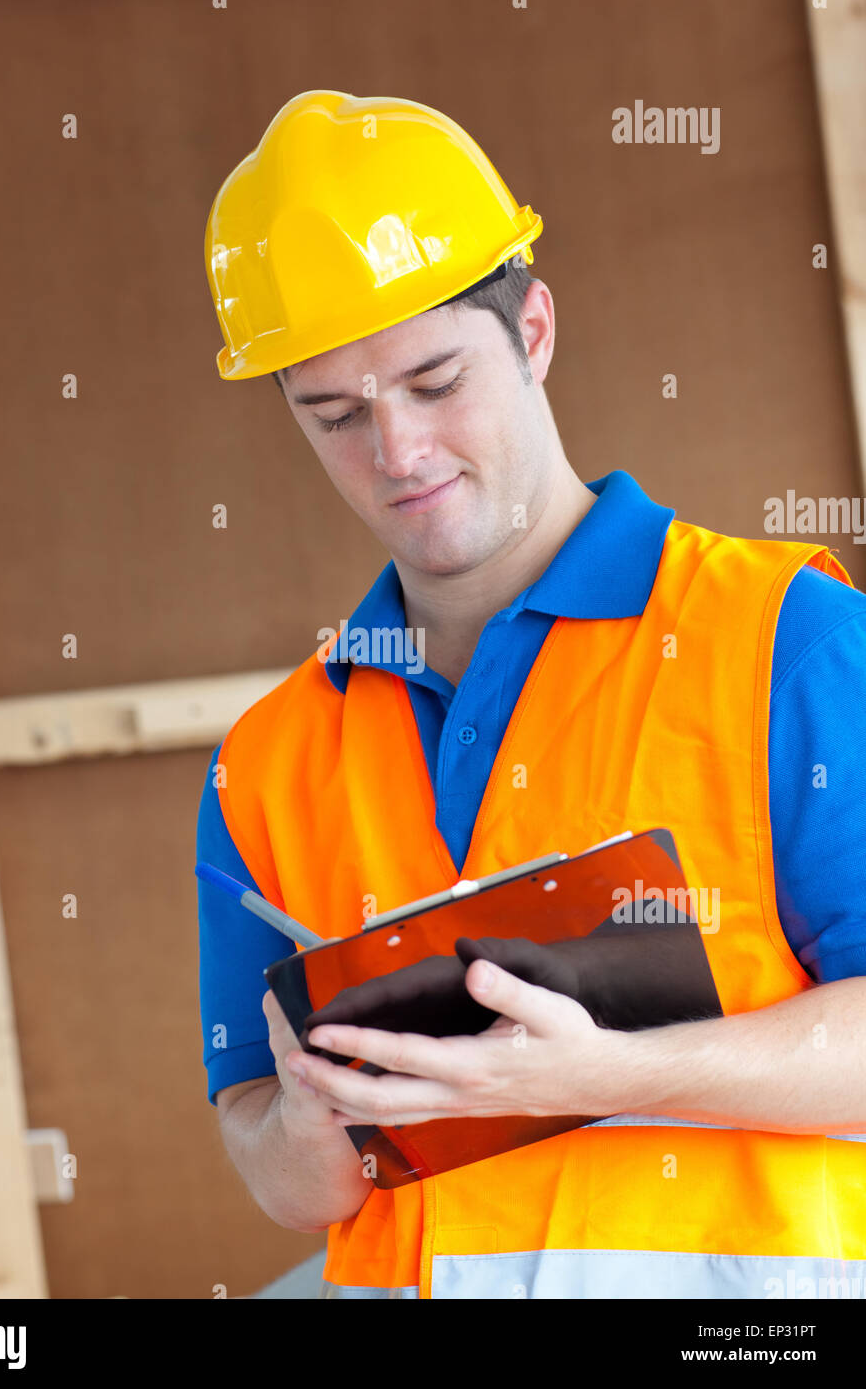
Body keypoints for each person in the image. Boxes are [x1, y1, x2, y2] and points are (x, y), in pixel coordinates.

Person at [196, 89, 866, 1299]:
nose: (396, 452)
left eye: (436, 379)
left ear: (535, 329)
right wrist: (308, 1122)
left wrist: (611, 1072)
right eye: (334, 414)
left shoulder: (786, 640)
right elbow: (275, 1170)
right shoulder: (270, 756)